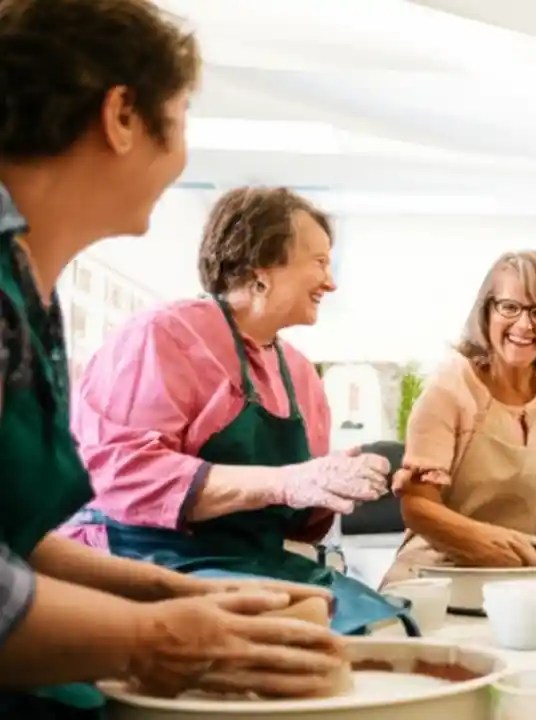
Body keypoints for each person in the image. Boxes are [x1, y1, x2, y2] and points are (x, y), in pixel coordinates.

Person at [0, 1, 343, 716]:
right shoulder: (148, 332)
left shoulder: (31, 290)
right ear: (122, 114)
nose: (183, 152)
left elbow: (13, 541)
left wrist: (175, 595)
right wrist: (155, 632)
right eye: (181, 116)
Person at [61, 186, 410, 636]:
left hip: (251, 561)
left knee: (386, 625)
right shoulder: (164, 335)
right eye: (320, 262)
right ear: (261, 268)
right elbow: (121, 473)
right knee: (307, 631)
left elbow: (298, 522)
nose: (331, 282)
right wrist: (287, 481)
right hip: (145, 556)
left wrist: (348, 481)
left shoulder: (301, 374)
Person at [381, 251, 536, 582]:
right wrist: (482, 542)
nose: (524, 325)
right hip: (441, 563)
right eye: (510, 307)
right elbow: (417, 506)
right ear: (487, 311)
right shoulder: (449, 389)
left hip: (529, 563)